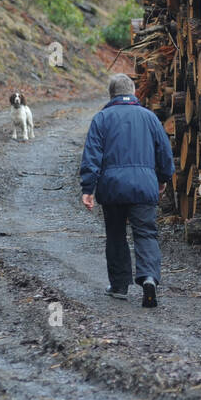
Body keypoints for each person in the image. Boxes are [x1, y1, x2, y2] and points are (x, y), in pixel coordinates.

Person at [79, 74, 175, 307]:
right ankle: (149, 278)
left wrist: (88, 188)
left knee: (115, 234)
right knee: (146, 234)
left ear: (111, 95)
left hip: (112, 189)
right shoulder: (150, 118)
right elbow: (164, 152)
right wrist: (162, 178)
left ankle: (120, 285)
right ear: (133, 93)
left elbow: (92, 156)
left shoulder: (102, 118)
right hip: (143, 186)